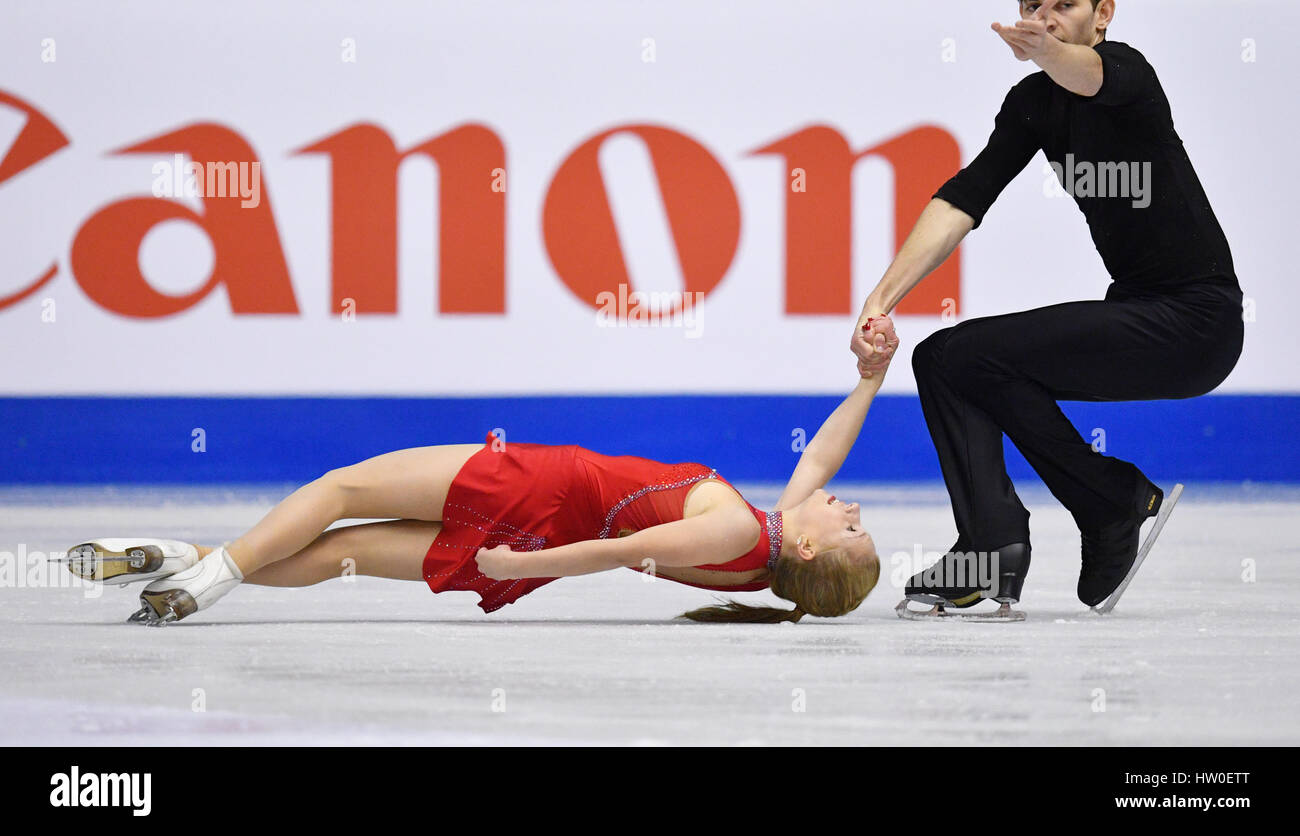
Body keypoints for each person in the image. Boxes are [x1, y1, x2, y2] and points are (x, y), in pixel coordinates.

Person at [852, 0, 1243, 615]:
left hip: (1196, 320)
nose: (1046, 17)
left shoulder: (1127, 75)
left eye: (1064, 4)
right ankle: (1023, 534)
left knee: (962, 356)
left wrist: (1046, 49)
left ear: (1104, 14)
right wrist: (878, 300)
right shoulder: (1033, 104)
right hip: (1141, 314)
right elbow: (962, 199)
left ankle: (1101, 504)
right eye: (1033, 6)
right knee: (951, 361)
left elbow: (1083, 71)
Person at [66, 319, 900, 625]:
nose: (852, 507)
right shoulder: (760, 566)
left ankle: (206, 575)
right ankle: (191, 565)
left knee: (339, 490)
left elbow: (615, 556)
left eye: (853, 529)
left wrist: (520, 563)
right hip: (539, 532)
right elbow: (823, 454)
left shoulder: (741, 530)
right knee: (335, 555)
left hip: (538, 492)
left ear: (815, 552)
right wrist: (869, 378)